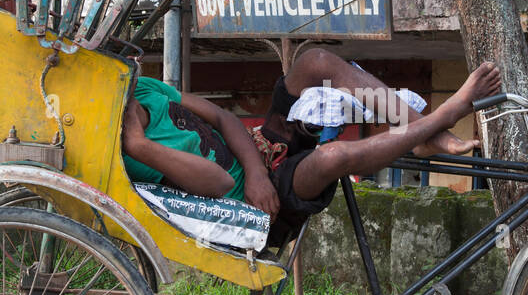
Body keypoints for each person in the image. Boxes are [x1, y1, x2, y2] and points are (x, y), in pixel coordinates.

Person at [120, 49, 502, 246]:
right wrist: (139, 145)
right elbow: (219, 184)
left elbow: (224, 119)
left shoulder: (147, 88)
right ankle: (444, 117)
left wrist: (254, 169)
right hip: (258, 205)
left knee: (315, 62)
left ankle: (424, 135)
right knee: (334, 156)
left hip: (259, 153)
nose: (134, 65)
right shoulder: (131, 149)